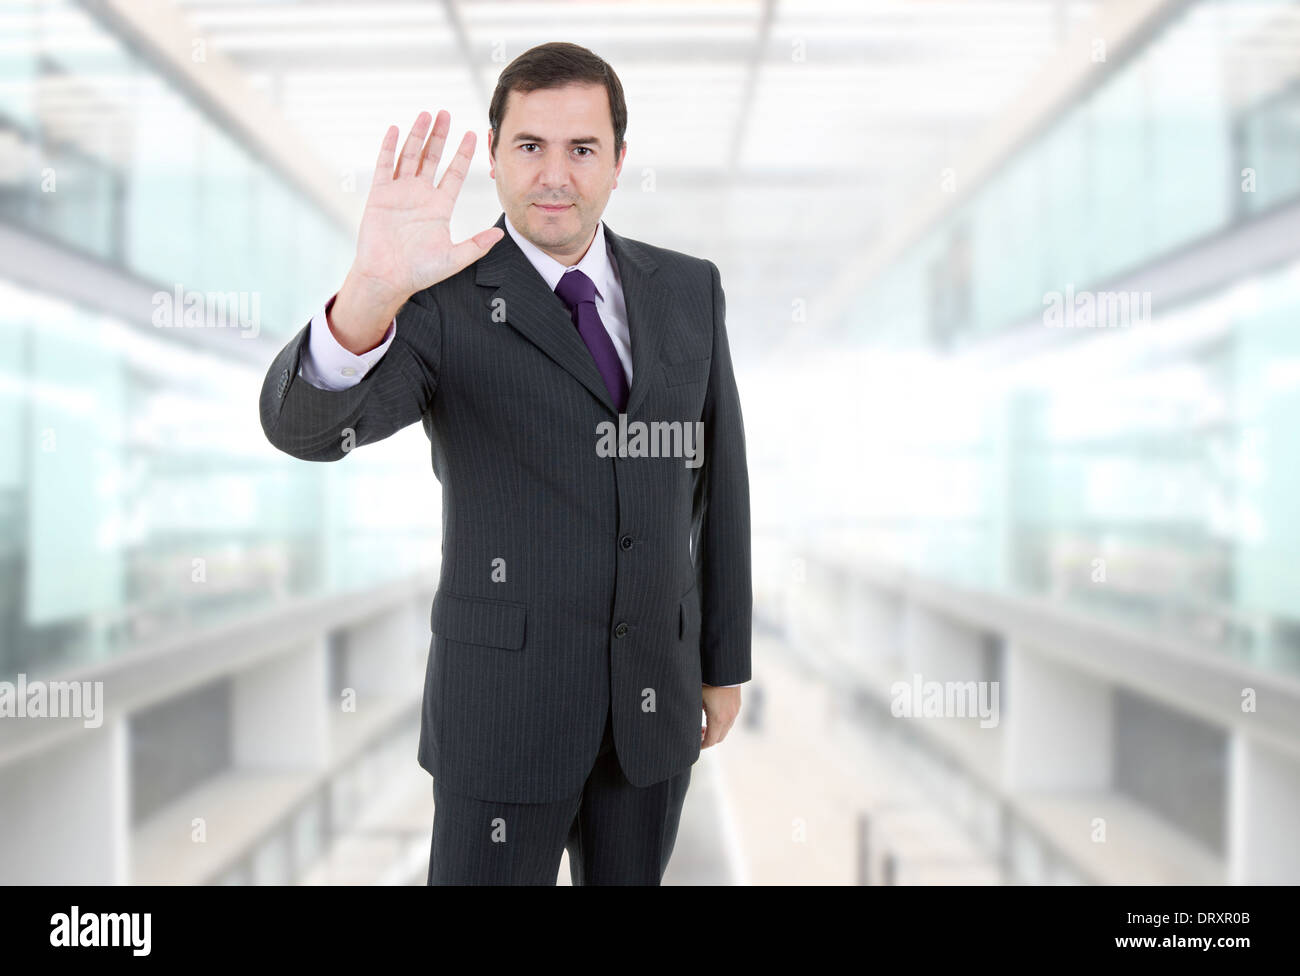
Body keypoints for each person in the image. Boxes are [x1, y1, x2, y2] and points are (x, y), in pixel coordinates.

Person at [259, 41, 751, 885]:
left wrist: (722, 661)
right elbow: (306, 429)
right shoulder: (438, 301)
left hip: (651, 707)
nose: (554, 174)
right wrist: (370, 294)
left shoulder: (687, 289)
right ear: (493, 156)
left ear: (619, 161)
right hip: (503, 714)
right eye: (529, 147)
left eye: (582, 149)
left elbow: (720, 488)